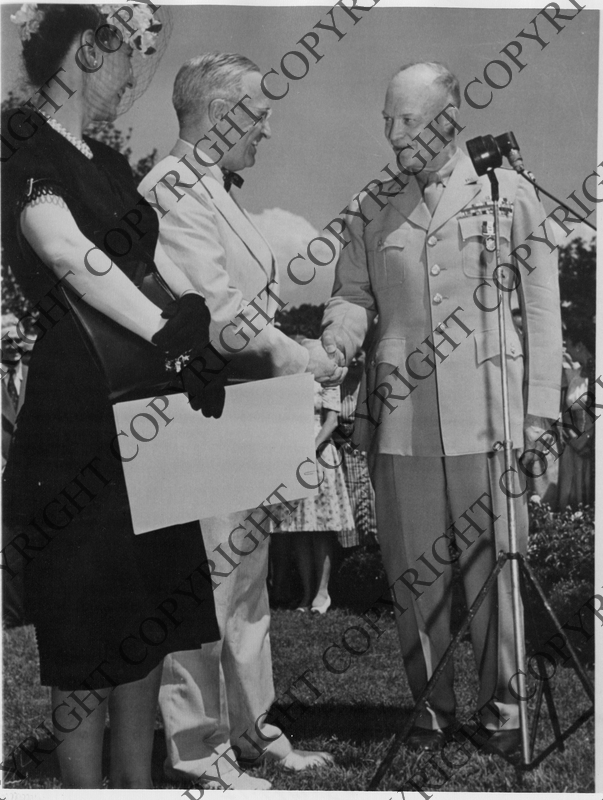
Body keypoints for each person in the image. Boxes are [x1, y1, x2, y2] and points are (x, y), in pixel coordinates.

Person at [1, 5, 223, 788]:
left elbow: (150, 268)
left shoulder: (111, 161)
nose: (135, 76)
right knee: (85, 642)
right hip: (78, 414)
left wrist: (195, 324)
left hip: (147, 407)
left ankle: (136, 786)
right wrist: (168, 331)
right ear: (91, 49)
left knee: (144, 631)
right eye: (132, 53)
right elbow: (65, 251)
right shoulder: (20, 140)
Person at [321, 62, 562, 757]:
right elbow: (352, 295)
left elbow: (542, 308)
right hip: (400, 418)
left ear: (449, 118)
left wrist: (539, 417)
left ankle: (505, 712)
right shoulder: (371, 204)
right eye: (387, 121)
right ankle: (430, 713)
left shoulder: (506, 192)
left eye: (409, 121)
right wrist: (336, 335)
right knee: (413, 577)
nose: (394, 135)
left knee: (496, 570)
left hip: (490, 414)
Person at [139, 53, 339, 788]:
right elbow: (219, 315)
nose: (267, 130)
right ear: (220, 114)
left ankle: (255, 731)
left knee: (245, 587)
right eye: (259, 114)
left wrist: (290, 358)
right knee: (204, 591)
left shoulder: (210, 188)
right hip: (196, 411)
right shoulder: (171, 187)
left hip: (241, 407)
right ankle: (199, 751)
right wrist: (305, 357)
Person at [278, 381, 356, 613]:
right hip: (292, 452)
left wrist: (310, 448)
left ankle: (322, 593)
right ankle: (306, 592)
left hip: (319, 454)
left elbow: (332, 421)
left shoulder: (328, 377)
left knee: (321, 527)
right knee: (299, 527)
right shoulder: (290, 375)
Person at [334, 350, 378, 547]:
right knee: (348, 501)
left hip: (368, 449)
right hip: (342, 453)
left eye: (358, 354)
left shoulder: (372, 383)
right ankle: (350, 550)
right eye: (348, 354)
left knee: (372, 499)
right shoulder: (335, 385)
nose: (352, 359)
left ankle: (373, 548)